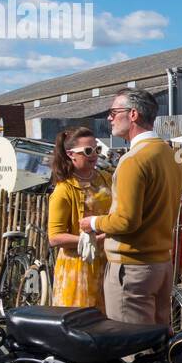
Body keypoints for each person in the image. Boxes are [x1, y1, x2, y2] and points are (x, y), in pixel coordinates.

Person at [81, 90, 182, 325]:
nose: (109, 118)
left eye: (114, 112)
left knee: (132, 348)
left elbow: (126, 221)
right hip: (161, 264)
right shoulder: (171, 155)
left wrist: (93, 223)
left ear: (133, 114)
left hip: (133, 268)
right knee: (158, 344)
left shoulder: (134, 160)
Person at [47, 127, 113, 308]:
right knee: (81, 326)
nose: (94, 155)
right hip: (78, 269)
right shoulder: (64, 190)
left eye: (96, 149)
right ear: (70, 154)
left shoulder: (106, 178)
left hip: (107, 264)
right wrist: (90, 240)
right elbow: (54, 237)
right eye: (88, 151)